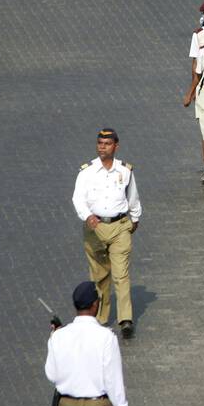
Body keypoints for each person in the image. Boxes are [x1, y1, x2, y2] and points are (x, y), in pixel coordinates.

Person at [72, 128, 143, 337]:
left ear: (116, 146)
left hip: (120, 226)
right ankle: (101, 318)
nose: (102, 147)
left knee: (121, 275)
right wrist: (87, 216)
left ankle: (125, 319)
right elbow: (77, 198)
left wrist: (135, 218)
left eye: (107, 144)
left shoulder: (125, 171)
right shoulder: (87, 172)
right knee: (100, 276)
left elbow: (133, 197)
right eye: (100, 143)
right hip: (95, 228)